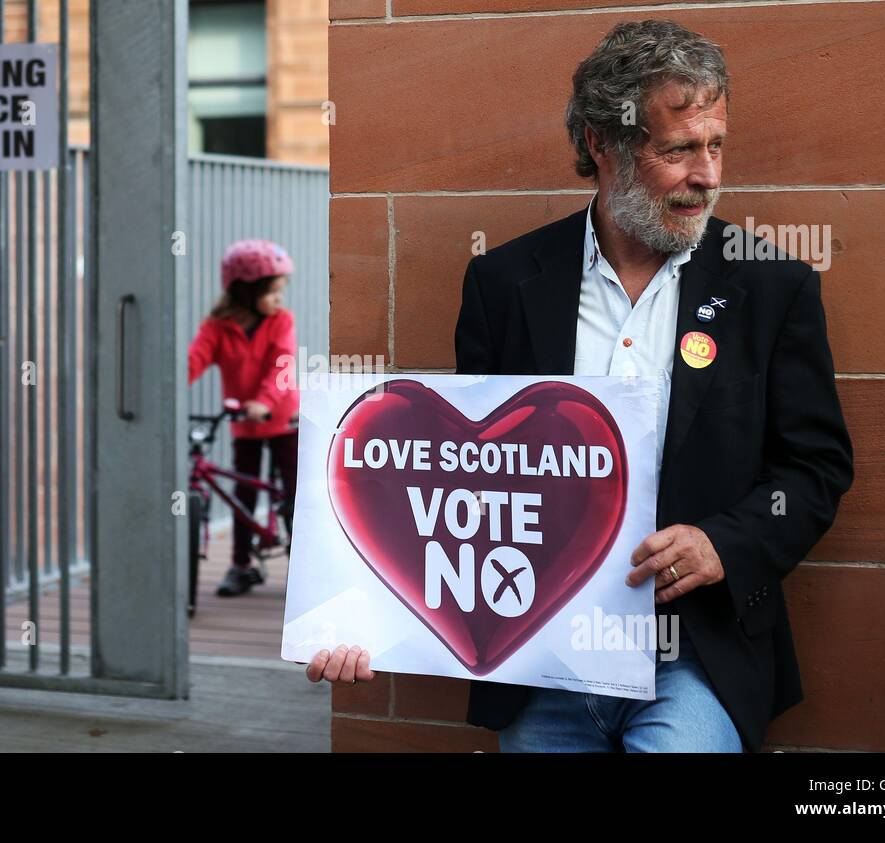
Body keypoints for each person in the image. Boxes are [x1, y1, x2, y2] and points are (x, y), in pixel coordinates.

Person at [307, 19, 854, 753]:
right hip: (543, 659)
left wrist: (724, 543)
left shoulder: (771, 286)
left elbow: (816, 468)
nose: (708, 176)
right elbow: (462, 480)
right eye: (679, 149)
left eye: (716, 145)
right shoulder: (503, 284)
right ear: (604, 144)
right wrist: (360, 615)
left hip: (696, 655)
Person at [188, 239, 301, 597]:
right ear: (245, 291)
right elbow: (194, 361)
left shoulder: (281, 321)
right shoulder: (216, 327)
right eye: (272, 292)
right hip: (245, 425)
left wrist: (264, 401)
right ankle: (241, 565)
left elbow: (283, 366)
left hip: (281, 416)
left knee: (296, 492)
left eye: (281, 291)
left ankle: (305, 568)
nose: (279, 299)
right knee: (244, 494)